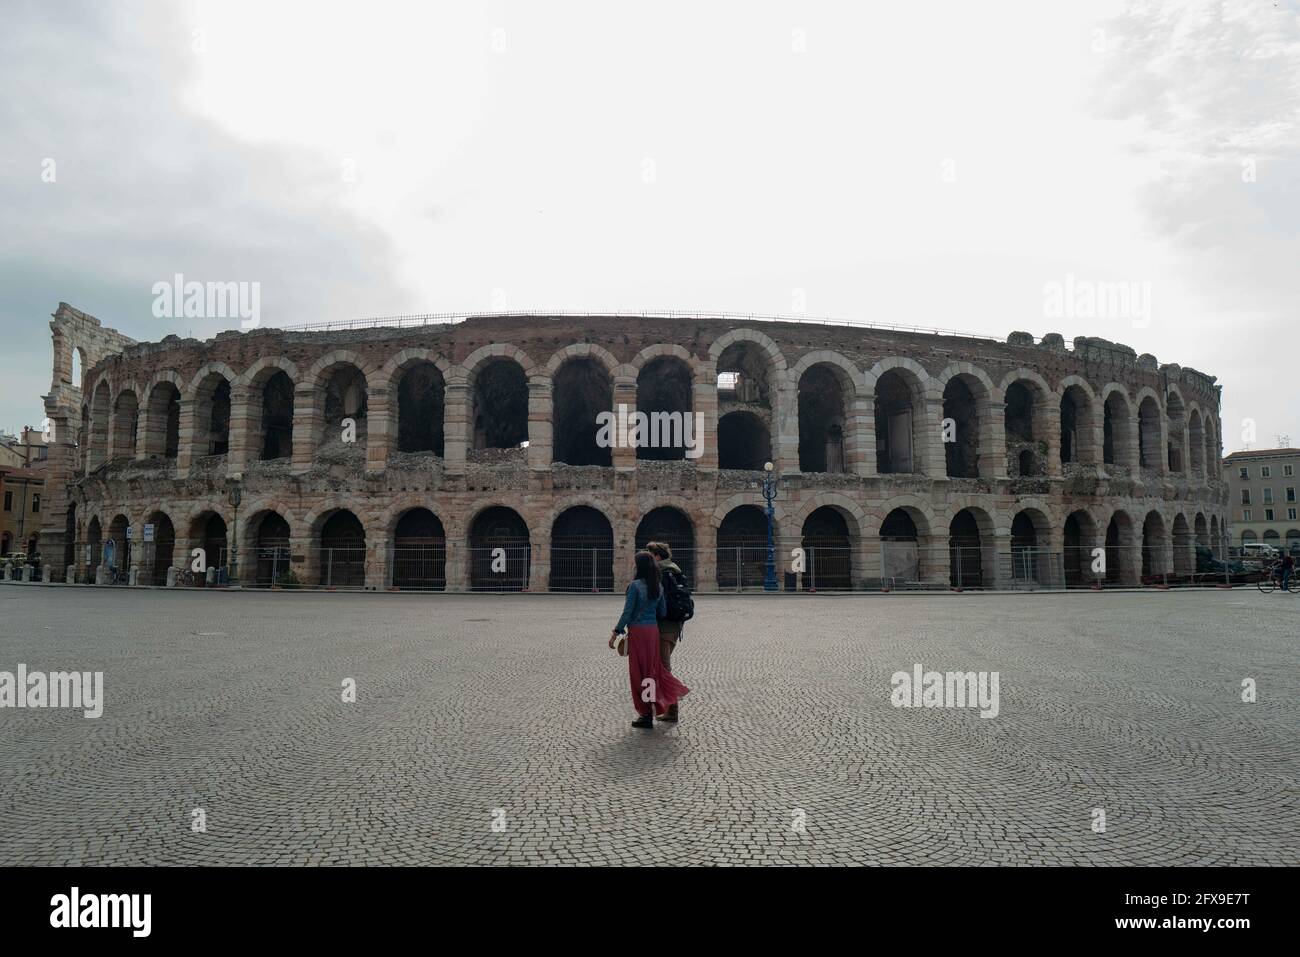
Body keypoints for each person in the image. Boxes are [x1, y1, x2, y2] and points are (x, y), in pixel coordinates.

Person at [610, 551, 689, 729]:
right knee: (650, 672)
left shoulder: (635, 586)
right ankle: (649, 712)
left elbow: (627, 613)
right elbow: (662, 612)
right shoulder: (658, 587)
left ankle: (645, 714)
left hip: (638, 632)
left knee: (638, 674)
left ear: (639, 567)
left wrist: (616, 632)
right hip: (653, 632)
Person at [646, 541, 691, 722]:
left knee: (663, 669)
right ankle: (663, 708)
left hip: (663, 627)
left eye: (650, 555)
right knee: (660, 667)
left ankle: (671, 709)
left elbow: (659, 603)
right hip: (674, 627)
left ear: (657, 556)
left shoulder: (661, 574)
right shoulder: (675, 570)